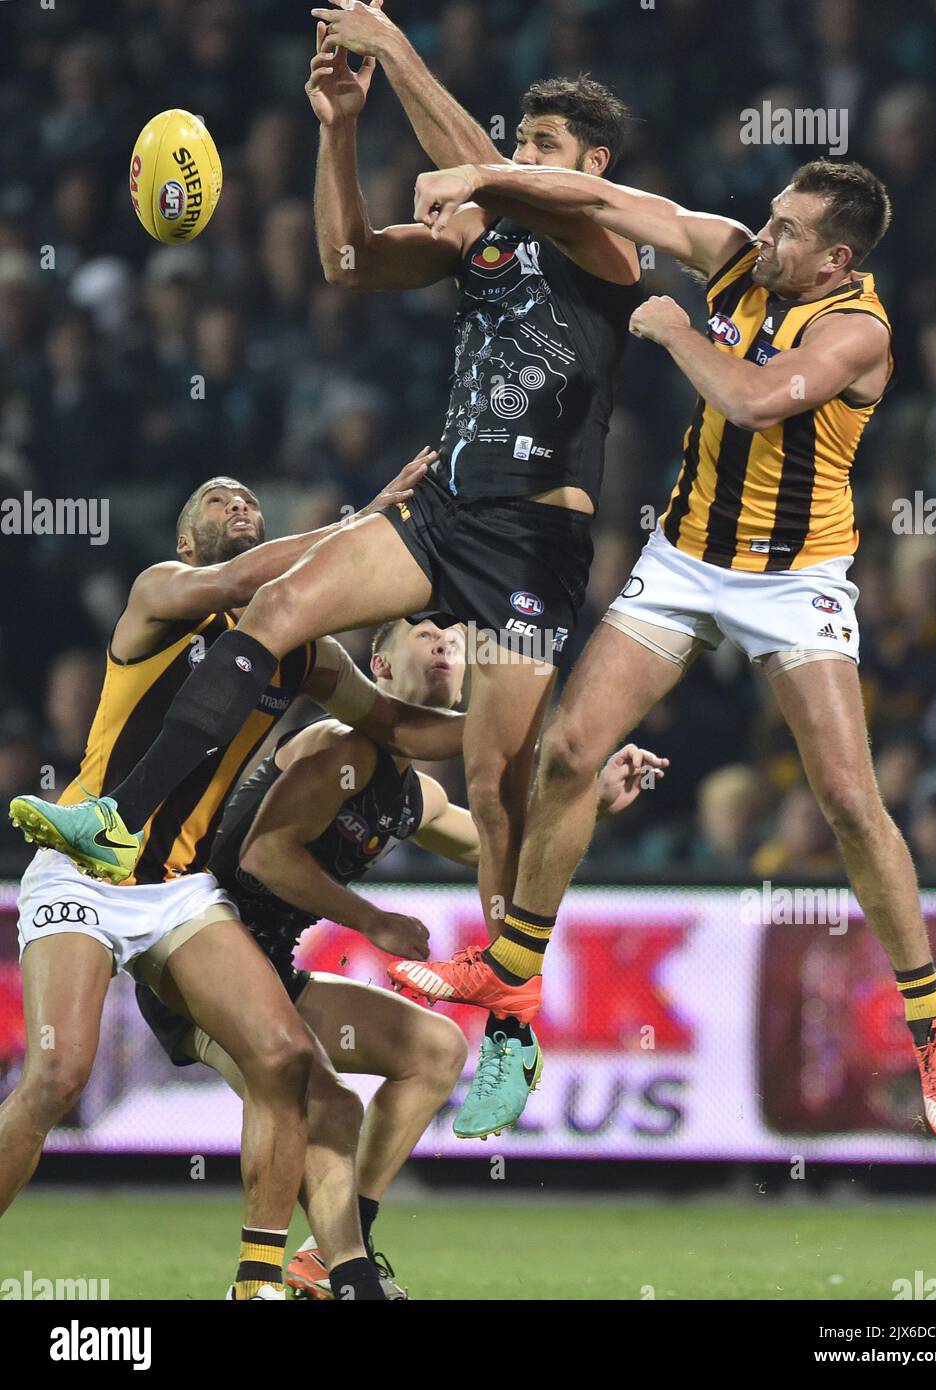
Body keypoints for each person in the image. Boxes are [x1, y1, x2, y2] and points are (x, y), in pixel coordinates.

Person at [11, 9, 645, 1138]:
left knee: (499, 784)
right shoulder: (484, 239)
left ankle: (509, 1025)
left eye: (543, 148)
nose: (523, 162)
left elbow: (481, 173)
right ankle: (122, 812)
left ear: (591, 167)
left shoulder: (605, 246)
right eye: (527, 145)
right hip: (446, 503)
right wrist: (341, 130)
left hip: (535, 544)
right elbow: (347, 262)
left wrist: (395, 47)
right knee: (281, 601)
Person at [390, 155, 936, 1141]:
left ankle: (929, 1021)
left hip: (796, 580)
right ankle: (515, 975)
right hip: (688, 556)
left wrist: (669, 330)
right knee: (572, 751)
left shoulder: (858, 330)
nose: (768, 234)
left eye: (791, 230)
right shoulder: (743, 258)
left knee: (845, 796)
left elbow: (754, 401)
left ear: (838, 257)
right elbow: (607, 202)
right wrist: (479, 176)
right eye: (772, 217)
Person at [3, 456, 466, 1302]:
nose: (240, 504)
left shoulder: (302, 651)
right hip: (82, 869)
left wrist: (536, 737)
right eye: (220, 499)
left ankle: (254, 1287)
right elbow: (252, 575)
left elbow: (399, 722)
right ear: (188, 538)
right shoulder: (160, 594)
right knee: (58, 1076)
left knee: (285, 1058)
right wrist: (373, 523)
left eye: (250, 497)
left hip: (177, 892)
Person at [136, 617, 664, 1296]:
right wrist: (372, 920)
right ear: (378, 672)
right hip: (201, 965)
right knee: (323, 1103)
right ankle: (325, 1277)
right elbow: (263, 854)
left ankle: (328, 1258)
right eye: (423, 635)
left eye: (453, 640)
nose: (446, 643)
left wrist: (590, 802)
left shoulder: (415, 795)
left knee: (434, 1050)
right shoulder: (335, 744)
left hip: (269, 967)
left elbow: (495, 845)